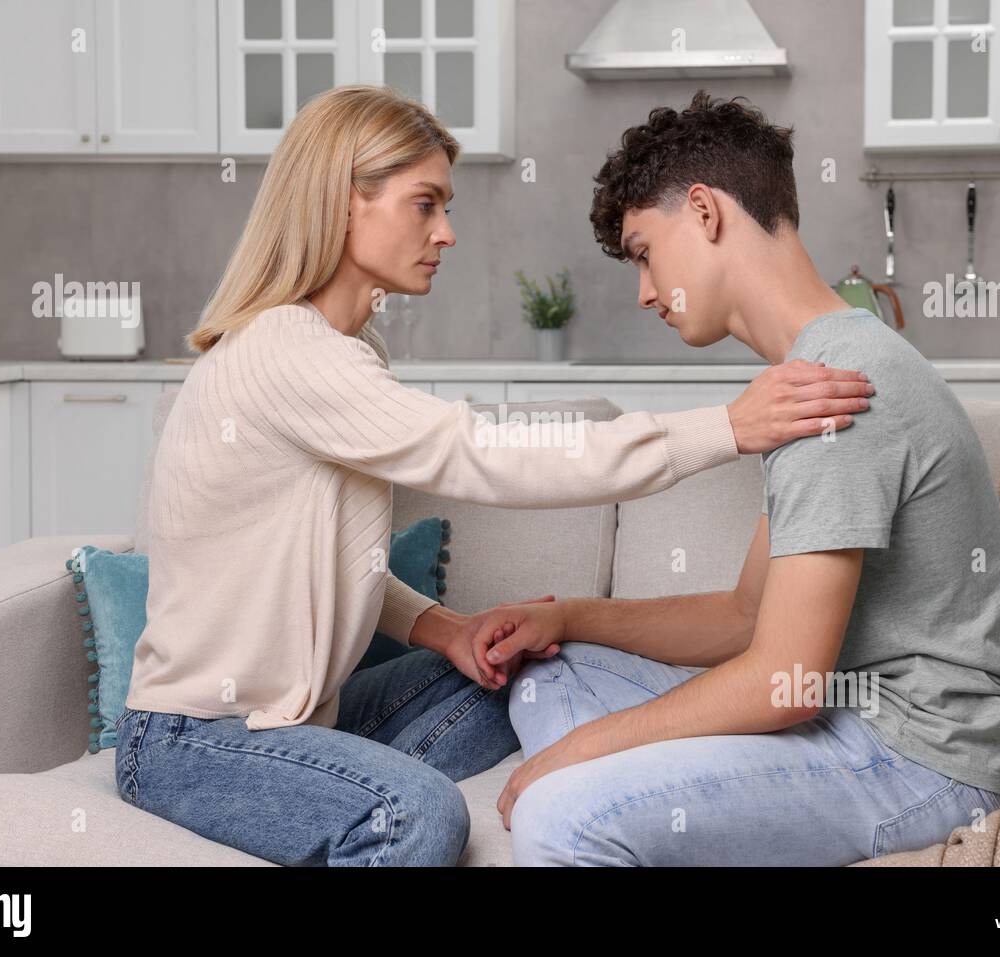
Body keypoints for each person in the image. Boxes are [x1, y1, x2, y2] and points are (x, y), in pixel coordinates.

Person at [113, 85, 876, 866]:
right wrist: (727, 427)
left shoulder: (352, 351)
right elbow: (482, 451)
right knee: (419, 817)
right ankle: (360, 805)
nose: (445, 232)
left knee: (516, 671)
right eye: (425, 204)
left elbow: (331, 559)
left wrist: (447, 630)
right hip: (197, 738)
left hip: (305, 720)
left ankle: (332, 798)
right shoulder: (286, 352)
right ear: (344, 202)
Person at [477, 90, 1000, 866]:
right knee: (548, 673)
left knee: (561, 817)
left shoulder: (840, 388)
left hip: (924, 761)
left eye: (644, 252)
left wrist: (573, 757)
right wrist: (568, 616)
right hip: (842, 717)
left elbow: (788, 682)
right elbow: (747, 619)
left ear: (705, 213)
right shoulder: (809, 377)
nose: (644, 291)